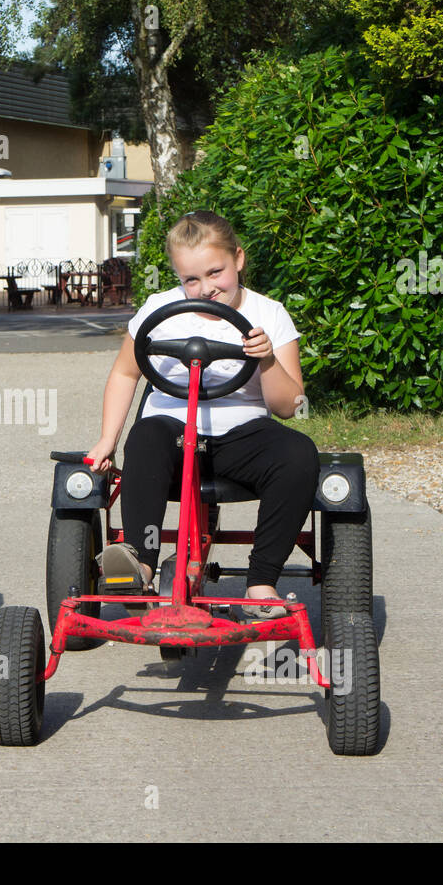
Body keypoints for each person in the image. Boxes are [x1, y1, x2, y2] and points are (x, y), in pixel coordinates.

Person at [85, 210, 318, 616]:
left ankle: (261, 582)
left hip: (241, 434)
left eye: (216, 273)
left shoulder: (269, 314)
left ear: (238, 260)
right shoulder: (160, 311)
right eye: (191, 279)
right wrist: (109, 439)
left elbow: (288, 407)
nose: (206, 288)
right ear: (178, 277)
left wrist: (266, 361)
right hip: (171, 432)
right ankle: (140, 562)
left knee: (299, 454)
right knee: (145, 437)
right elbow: (125, 373)